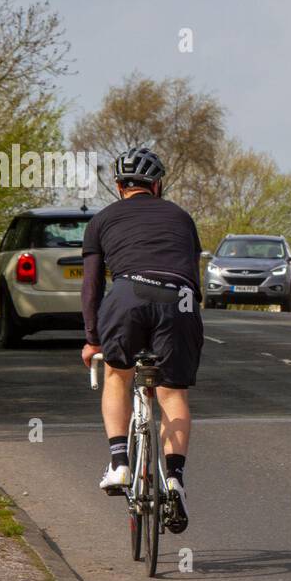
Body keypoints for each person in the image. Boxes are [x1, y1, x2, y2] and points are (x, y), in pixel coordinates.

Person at [80, 147, 203, 533]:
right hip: (178, 299)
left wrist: (92, 340)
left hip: (129, 294)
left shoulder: (100, 221)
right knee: (172, 393)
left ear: (119, 186)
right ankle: (174, 479)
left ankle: (119, 462)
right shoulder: (181, 217)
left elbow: (92, 286)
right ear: (157, 184)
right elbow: (191, 274)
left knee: (118, 375)